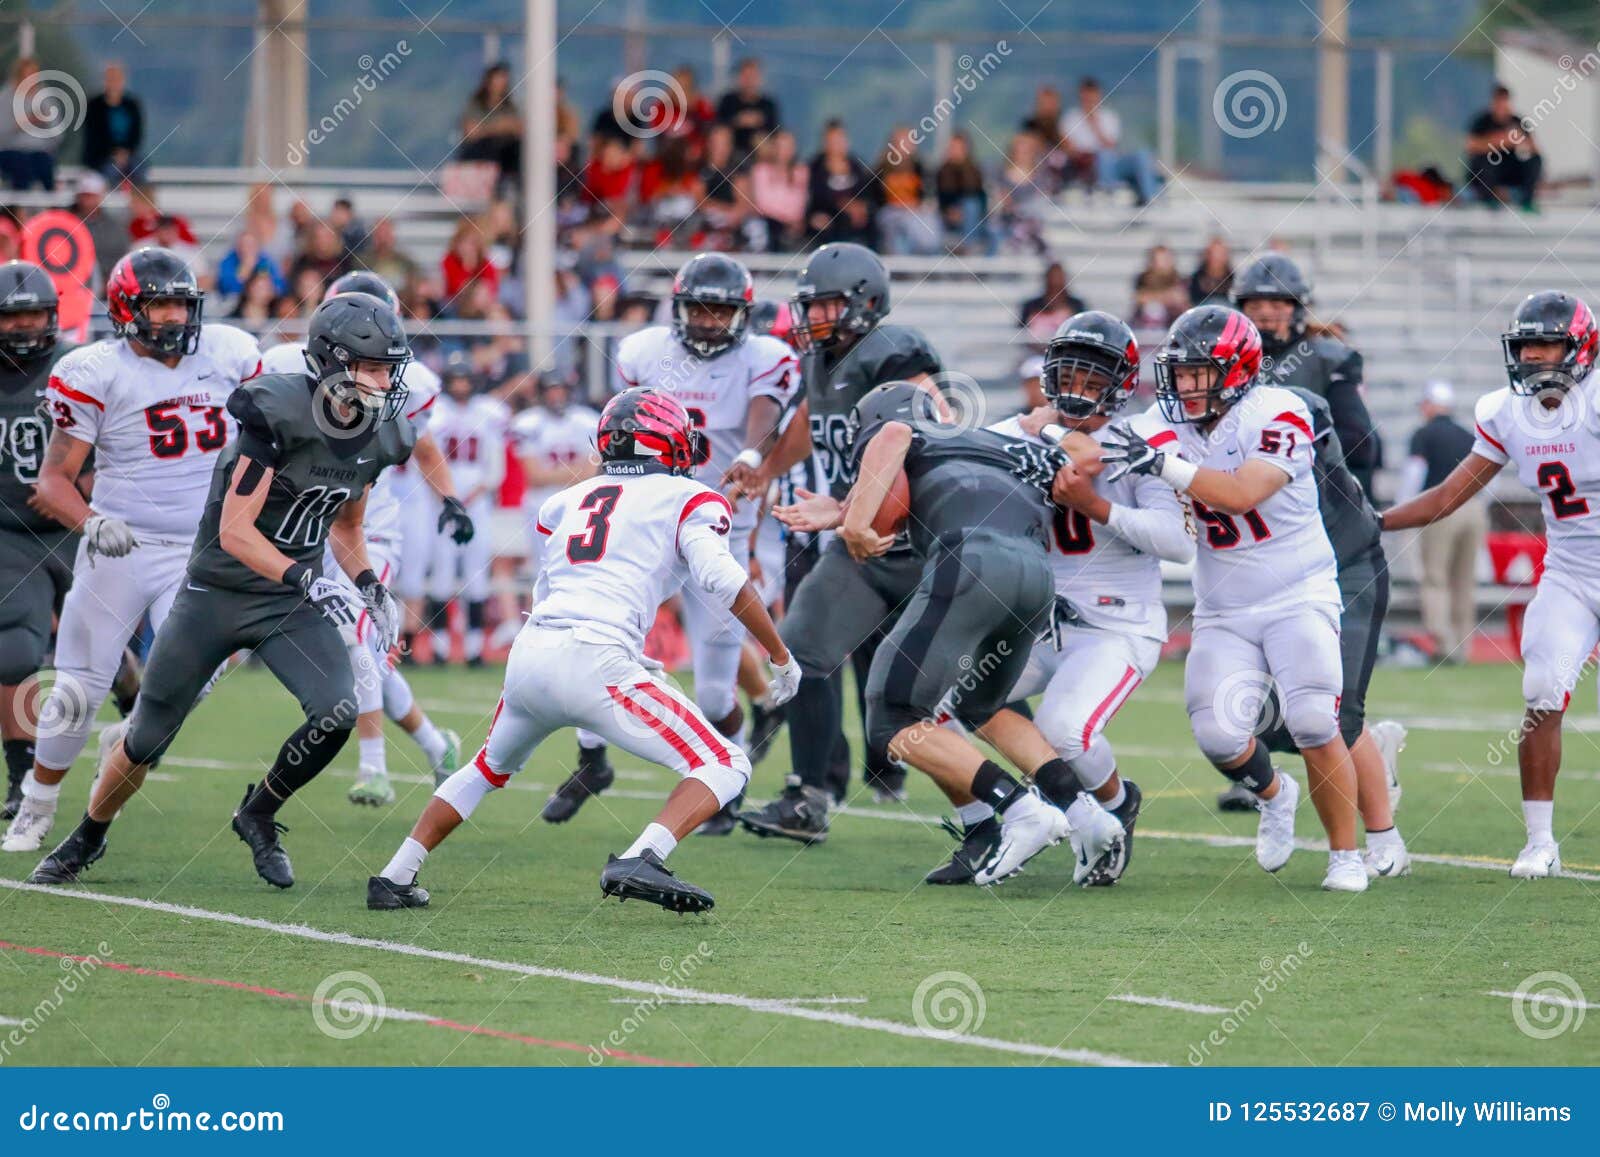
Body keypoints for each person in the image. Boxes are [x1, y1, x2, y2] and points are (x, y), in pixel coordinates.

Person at [27, 292, 416, 887]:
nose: (382, 381)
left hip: (288, 602)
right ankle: (89, 834)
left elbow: (346, 524)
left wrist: (368, 585)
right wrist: (309, 579)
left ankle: (258, 811)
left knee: (337, 710)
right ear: (331, 363)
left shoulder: (384, 435)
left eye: (388, 368)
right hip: (218, 593)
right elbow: (235, 534)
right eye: (370, 367)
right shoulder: (275, 413)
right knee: (148, 735)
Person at [367, 387, 802, 914]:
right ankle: (644, 856)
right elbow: (721, 578)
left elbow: (548, 591)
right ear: (668, 444)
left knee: (485, 768)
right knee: (726, 762)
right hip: (596, 659)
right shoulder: (691, 498)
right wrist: (778, 652)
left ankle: (396, 874)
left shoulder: (564, 500)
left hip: (534, 652)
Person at [1100, 304, 1368, 892]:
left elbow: (1244, 494)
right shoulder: (1157, 427)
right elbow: (1097, 451)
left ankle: (1346, 855)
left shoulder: (1278, 411)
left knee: (1312, 721)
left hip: (1297, 593)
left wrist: (1167, 467)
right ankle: (1276, 795)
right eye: (1180, 372)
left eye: (1199, 373)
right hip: (1223, 603)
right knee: (1218, 735)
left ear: (1238, 370)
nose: (1184, 385)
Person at [4, 248, 263, 855]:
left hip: (202, 547)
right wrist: (91, 524)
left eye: (180, 302)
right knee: (76, 687)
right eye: (159, 303)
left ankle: (127, 737)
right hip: (120, 545)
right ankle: (37, 804)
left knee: (196, 673)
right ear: (126, 308)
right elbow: (52, 481)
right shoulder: (96, 370)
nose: (173, 316)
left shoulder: (228, 355)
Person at [542, 254, 798, 835]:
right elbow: (624, 423)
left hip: (717, 523)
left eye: (721, 310)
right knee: (586, 629)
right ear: (678, 309)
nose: (709, 321)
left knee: (711, 694)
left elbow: (765, 418)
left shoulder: (767, 359)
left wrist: (753, 457)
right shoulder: (646, 352)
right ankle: (591, 759)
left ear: (742, 315)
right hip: (650, 518)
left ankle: (727, 784)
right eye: (699, 308)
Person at [838, 382, 1127, 886]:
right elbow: (1083, 458)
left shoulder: (904, 430)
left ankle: (1018, 809)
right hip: (1036, 578)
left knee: (892, 719)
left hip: (971, 562)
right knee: (980, 706)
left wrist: (855, 524)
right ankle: (1087, 816)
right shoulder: (1006, 442)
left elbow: (895, 434)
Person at [958, 313, 1192, 886]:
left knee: (1066, 728)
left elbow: (1178, 542)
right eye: (1069, 374)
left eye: (1093, 380)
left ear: (1120, 384)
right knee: (951, 693)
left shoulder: (1144, 441)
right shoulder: (1018, 430)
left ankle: (1116, 805)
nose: (1077, 389)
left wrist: (1095, 505)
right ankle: (1006, 819)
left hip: (1116, 624)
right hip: (1038, 624)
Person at [1382, 291, 1599, 878]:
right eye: (1525, 344)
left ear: (1580, 347)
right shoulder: (1505, 411)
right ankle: (1540, 842)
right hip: (1574, 572)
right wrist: (1378, 521)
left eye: (1545, 343)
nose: (1532, 355)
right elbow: (1451, 494)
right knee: (1541, 691)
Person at [741, 243, 943, 841]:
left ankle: (1032, 791)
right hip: (850, 537)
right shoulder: (822, 362)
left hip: (911, 539)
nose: (813, 319)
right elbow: (810, 426)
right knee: (800, 651)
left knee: (949, 683)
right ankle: (808, 796)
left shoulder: (896, 355)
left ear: (866, 302)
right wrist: (763, 467)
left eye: (826, 306)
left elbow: (928, 423)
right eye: (810, 306)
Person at [257, 271, 473, 806]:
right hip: (308, 523)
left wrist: (449, 498)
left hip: (368, 526)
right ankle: (432, 739)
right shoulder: (287, 367)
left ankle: (374, 767)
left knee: (357, 641)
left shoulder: (408, 382)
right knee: (363, 654)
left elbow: (420, 447)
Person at [0, 263, 76, 818]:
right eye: (13, 315)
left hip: (79, 525)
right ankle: (22, 773)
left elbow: (118, 440)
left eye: (34, 314)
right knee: (15, 653)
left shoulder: (78, 366)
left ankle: (125, 677)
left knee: (96, 647)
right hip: (11, 534)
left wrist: (85, 488)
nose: (25, 327)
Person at [1231, 253, 1379, 499]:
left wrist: (1284, 456)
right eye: (1255, 307)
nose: (1265, 315)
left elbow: (1358, 444)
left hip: (1309, 493)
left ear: (1296, 310)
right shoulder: (1228, 361)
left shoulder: (1327, 359)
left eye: (1277, 306)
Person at [422, 354, 505, 666]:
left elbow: (495, 464)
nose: (459, 387)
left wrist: (473, 494)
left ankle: (474, 648)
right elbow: (425, 459)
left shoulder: (488, 413)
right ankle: (440, 647)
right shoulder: (436, 413)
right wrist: (447, 497)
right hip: (442, 501)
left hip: (477, 501)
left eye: (464, 380)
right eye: (455, 381)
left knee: (476, 573)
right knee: (442, 570)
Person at [1398, 380, 1485, 664]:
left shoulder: (1423, 434)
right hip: (1473, 507)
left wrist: (1405, 510)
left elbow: (1414, 473)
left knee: (1435, 578)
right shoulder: (1467, 435)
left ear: (1432, 405)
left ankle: (1444, 644)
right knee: (1464, 579)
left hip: (1441, 507)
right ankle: (1464, 646)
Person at [1061, 77, 1160, 206]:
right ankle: (1107, 195)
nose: (1089, 101)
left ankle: (1150, 197)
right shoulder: (1071, 118)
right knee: (1103, 156)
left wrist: (1094, 124)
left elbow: (1110, 145)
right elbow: (1068, 148)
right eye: (1086, 97)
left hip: (1110, 164)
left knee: (1142, 155)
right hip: (1086, 164)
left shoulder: (1109, 117)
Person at [1465, 84, 1540, 210]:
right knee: (1485, 160)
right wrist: (1501, 141)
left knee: (1534, 160)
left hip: (1510, 170)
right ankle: (1488, 200)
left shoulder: (1518, 122)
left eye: (1504, 101)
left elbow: (1535, 149)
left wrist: (1521, 143)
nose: (1501, 106)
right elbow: (1470, 146)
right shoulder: (1482, 121)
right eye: (1498, 101)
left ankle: (1527, 201)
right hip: (1487, 172)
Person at [805, 120, 876, 248]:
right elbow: (815, 198)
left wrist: (861, 208)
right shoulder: (815, 168)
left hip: (857, 218)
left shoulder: (857, 166)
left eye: (840, 139)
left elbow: (868, 193)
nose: (837, 145)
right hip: (829, 217)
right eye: (832, 141)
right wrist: (844, 206)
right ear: (825, 143)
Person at [457, 62, 522, 188]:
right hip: (481, 152)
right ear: (488, 81)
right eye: (498, 79)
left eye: (503, 79)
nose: (500, 84)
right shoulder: (475, 104)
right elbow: (471, 132)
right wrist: (496, 127)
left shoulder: (509, 106)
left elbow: (519, 128)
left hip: (505, 155)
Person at [81, 63, 144, 183]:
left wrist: (125, 152)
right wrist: (114, 153)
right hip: (101, 158)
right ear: (105, 81)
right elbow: (94, 136)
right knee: (110, 173)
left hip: (129, 155)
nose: (114, 83)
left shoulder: (132, 105)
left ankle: (138, 200)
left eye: (117, 79)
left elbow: (137, 134)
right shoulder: (94, 105)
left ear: (123, 81)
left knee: (140, 170)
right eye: (110, 78)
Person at [715, 58, 781, 164]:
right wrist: (738, 121)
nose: (749, 81)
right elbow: (718, 125)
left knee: (762, 141)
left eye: (753, 77)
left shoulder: (768, 105)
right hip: (732, 149)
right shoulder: (728, 100)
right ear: (739, 78)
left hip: (757, 154)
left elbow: (775, 131)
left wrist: (758, 123)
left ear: (759, 79)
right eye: (746, 77)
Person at [1020, 261, 1087, 345]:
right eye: (1053, 277)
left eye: (1059, 277)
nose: (1055, 281)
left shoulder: (1076, 305)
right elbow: (1022, 333)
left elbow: (1083, 331)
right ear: (1046, 278)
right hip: (1035, 352)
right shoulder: (1031, 305)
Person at [1188, 237, 1234, 305]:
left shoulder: (1233, 278)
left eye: (1220, 253)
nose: (1217, 257)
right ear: (1208, 255)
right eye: (1214, 253)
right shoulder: (1197, 278)